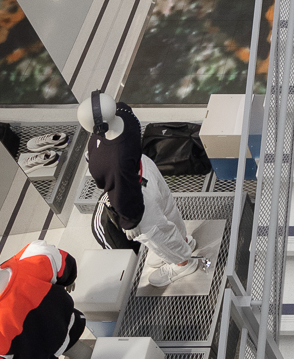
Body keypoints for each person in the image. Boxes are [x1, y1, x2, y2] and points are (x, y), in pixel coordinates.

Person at [85, 93, 210, 283]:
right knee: (167, 210)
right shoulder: (124, 113)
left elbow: (123, 193)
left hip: (138, 195)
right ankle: (184, 242)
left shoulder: (114, 160)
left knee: (157, 234)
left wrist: (130, 222)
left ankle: (182, 263)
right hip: (145, 168)